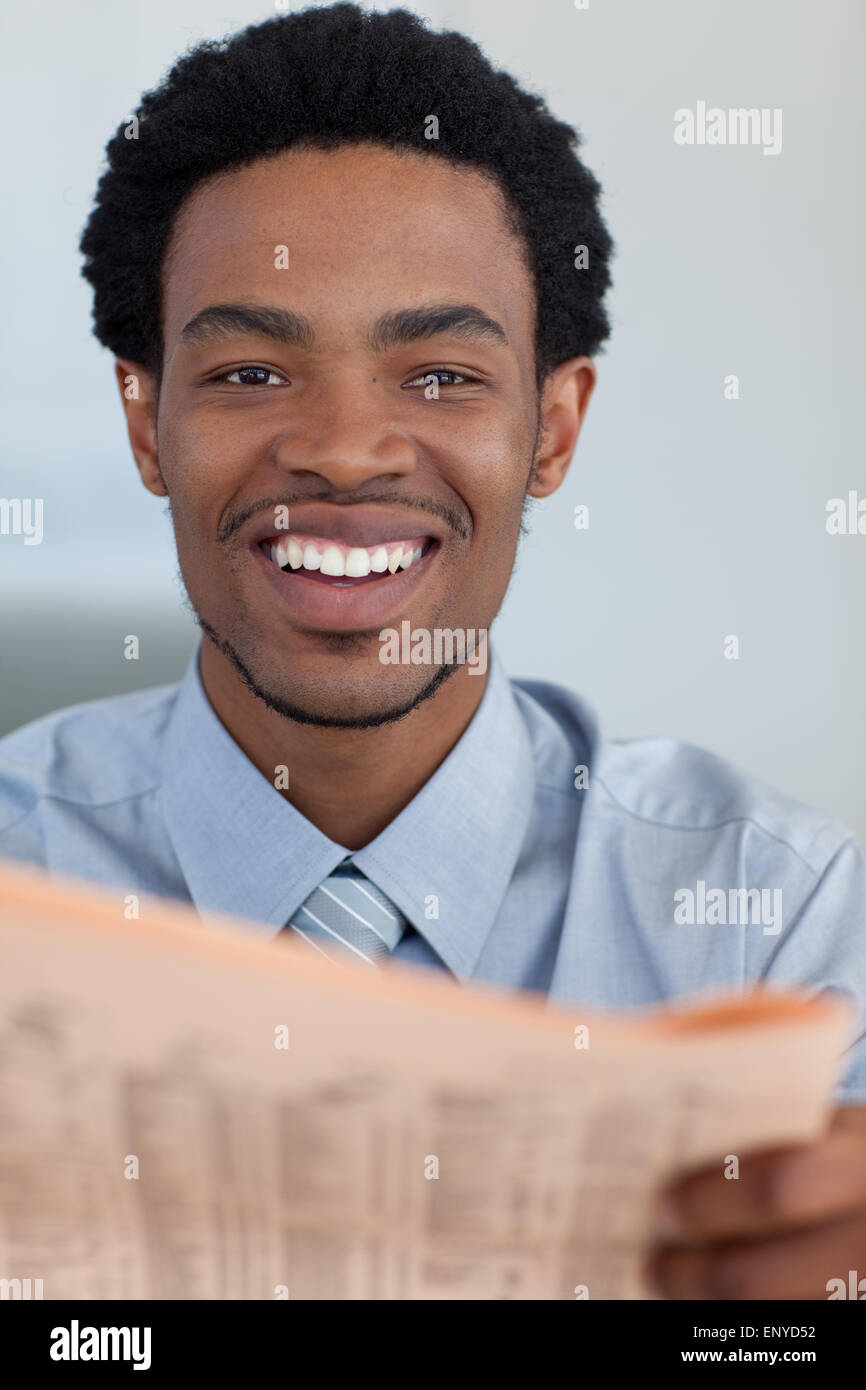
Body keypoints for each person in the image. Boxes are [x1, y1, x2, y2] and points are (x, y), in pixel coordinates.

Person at [1, 3, 864, 1300]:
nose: (345, 450)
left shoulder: (785, 929)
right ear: (145, 419)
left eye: (441, 375)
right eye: (248, 374)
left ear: (554, 427)